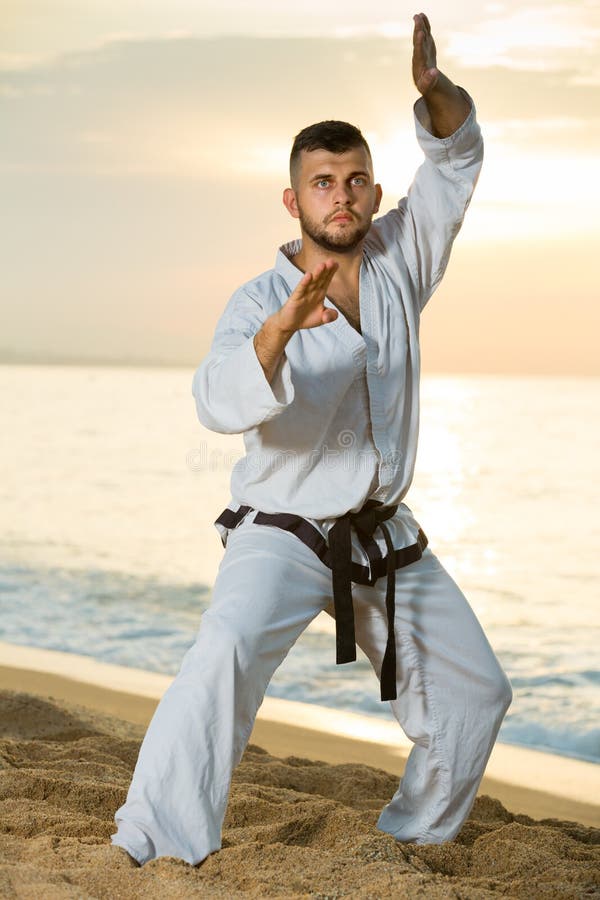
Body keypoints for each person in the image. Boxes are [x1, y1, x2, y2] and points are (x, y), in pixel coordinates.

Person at [111, 12, 513, 867]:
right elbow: (214, 400)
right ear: (295, 201)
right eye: (323, 181)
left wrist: (437, 95)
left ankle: (409, 840)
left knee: (477, 692)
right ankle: (151, 845)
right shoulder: (260, 297)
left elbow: (457, 162)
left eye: (356, 178)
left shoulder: (403, 257)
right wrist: (280, 334)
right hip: (284, 530)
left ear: (372, 192)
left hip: (380, 535)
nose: (343, 193)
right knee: (221, 656)